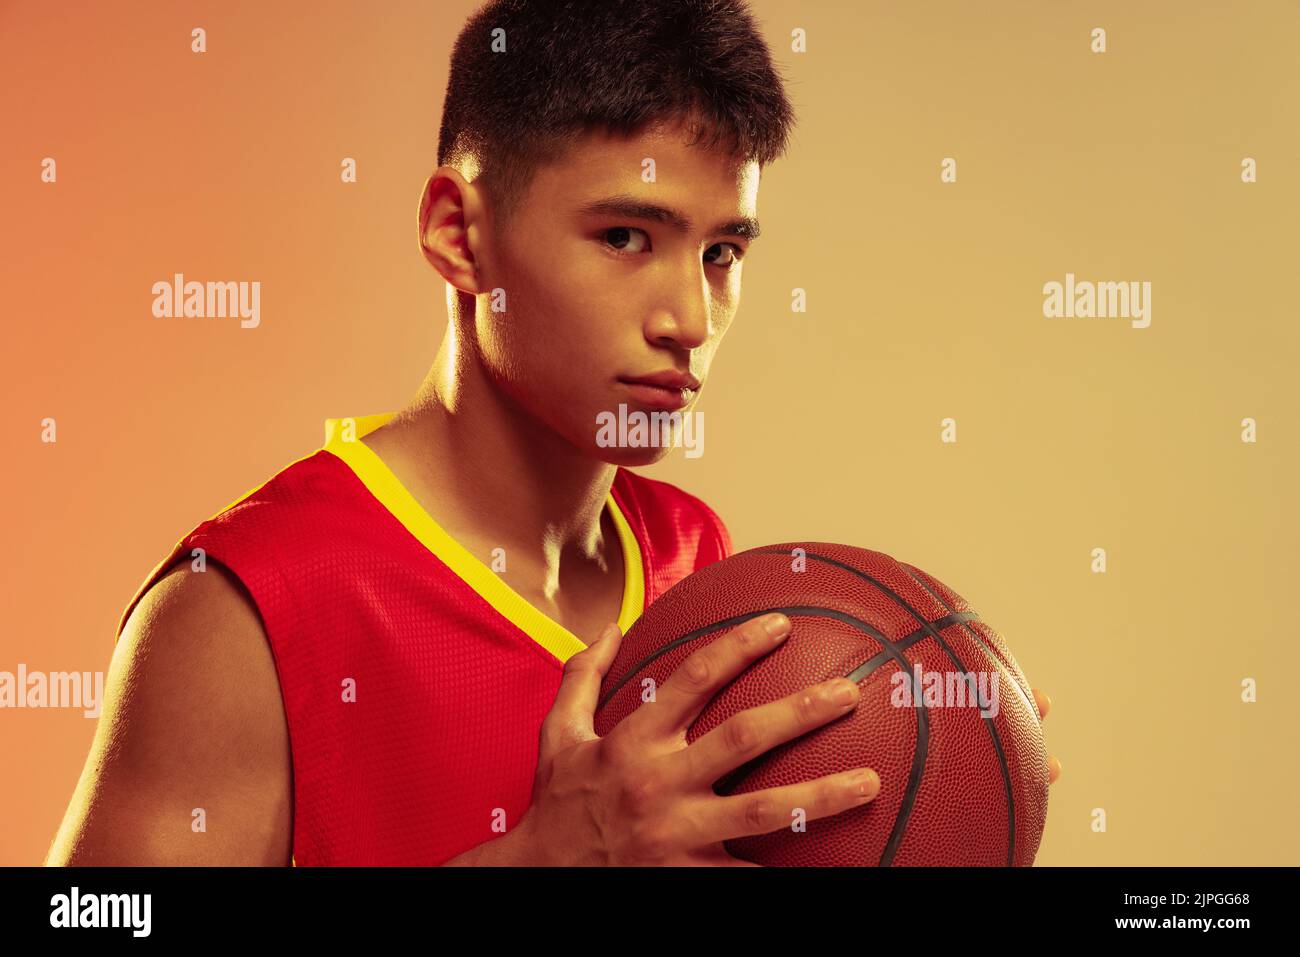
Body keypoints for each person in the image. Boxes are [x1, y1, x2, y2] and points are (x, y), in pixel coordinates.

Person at [46, 0, 1059, 867]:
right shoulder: (247, 605)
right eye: (626, 237)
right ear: (460, 233)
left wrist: (947, 805)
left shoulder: (691, 558)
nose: (689, 321)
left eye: (720, 253)